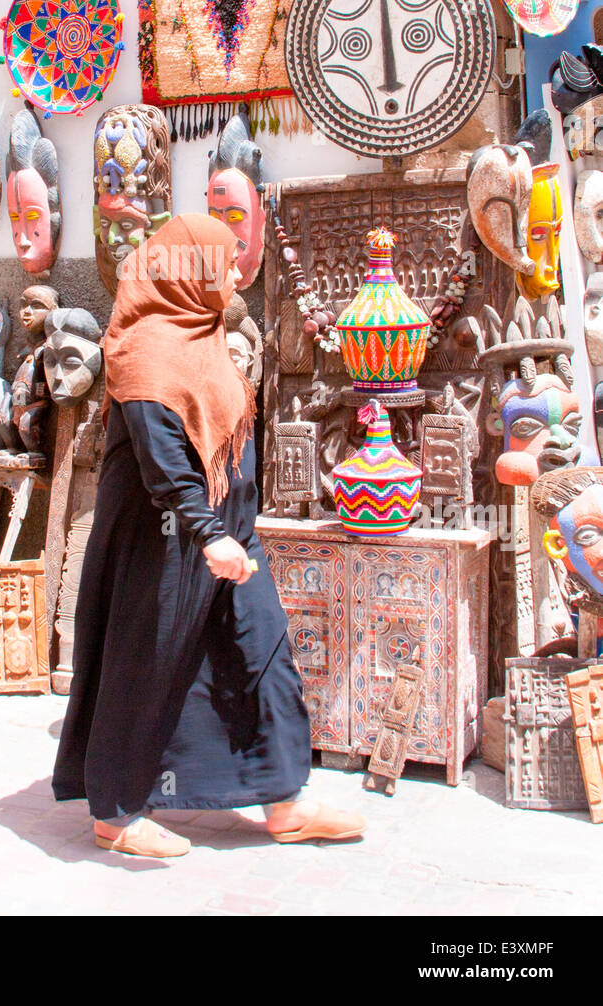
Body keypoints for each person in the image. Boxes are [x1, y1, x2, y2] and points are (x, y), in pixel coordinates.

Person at [52, 213, 366, 858]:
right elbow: (161, 454)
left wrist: (231, 531)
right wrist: (205, 532)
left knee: (262, 654)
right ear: (188, 268)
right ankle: (113, 813)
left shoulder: (204, 338)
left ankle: (285, 802)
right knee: (148, 667)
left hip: (226, 537)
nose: (233, 273)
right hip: (165, 543)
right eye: (222, 261)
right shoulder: (145, 348)